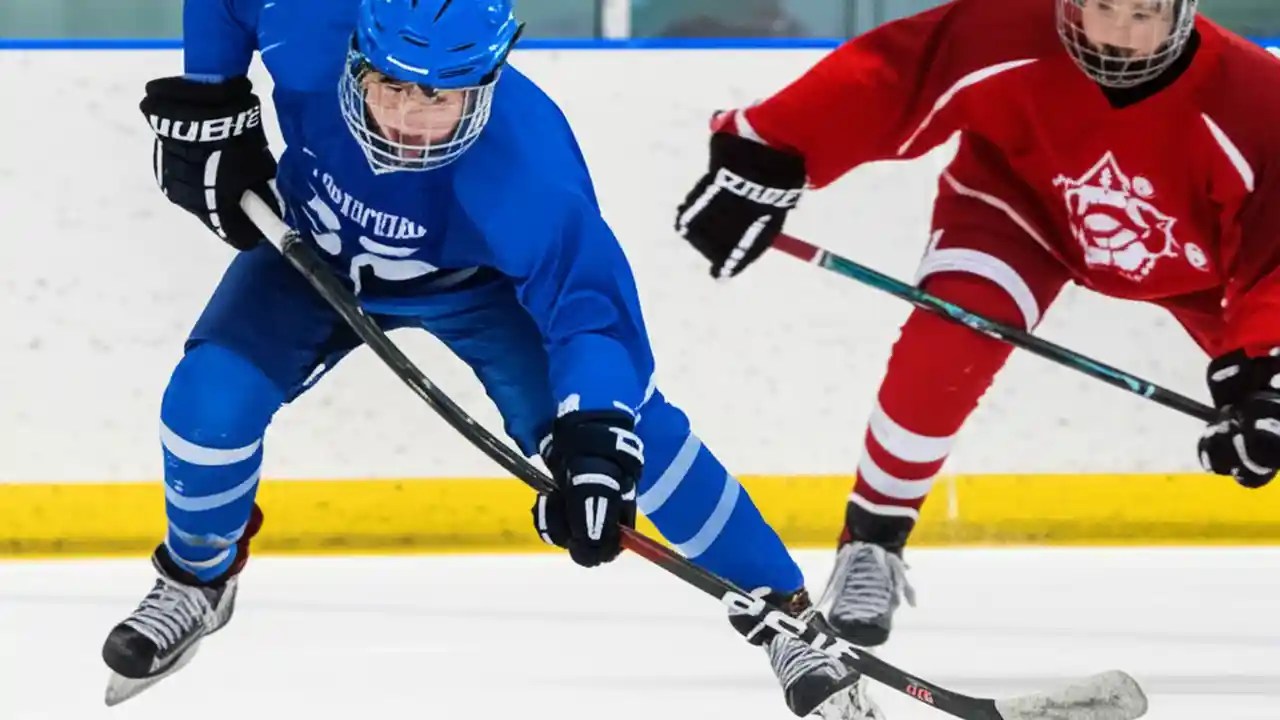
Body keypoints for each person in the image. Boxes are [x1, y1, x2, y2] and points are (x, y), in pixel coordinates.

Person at [100, 1, 880, 718]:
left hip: (478, 289)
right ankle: (197, 580)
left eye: (437, 98)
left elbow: (591, 319)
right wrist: (210, 93)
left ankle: (785, 612)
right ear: (355, 59)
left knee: (639, 436)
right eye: (388, 85)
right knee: (205, 406)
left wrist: (596, 439)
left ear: (485, 83)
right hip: (311, 252)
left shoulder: (526, 165)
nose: (406, 115)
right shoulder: (308, 32)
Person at [675, 0, 1280, 653]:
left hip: (1204, 269)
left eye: (1144, 14)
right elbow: (888, 79)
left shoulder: (1254, 98)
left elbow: (1274, 255)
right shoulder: (1005, 29)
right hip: (1019, 210)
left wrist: (1266, 374)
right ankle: (871, 543)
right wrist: (766, 154)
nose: (1123, 36)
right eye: (1105, 9)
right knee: (943, 349)